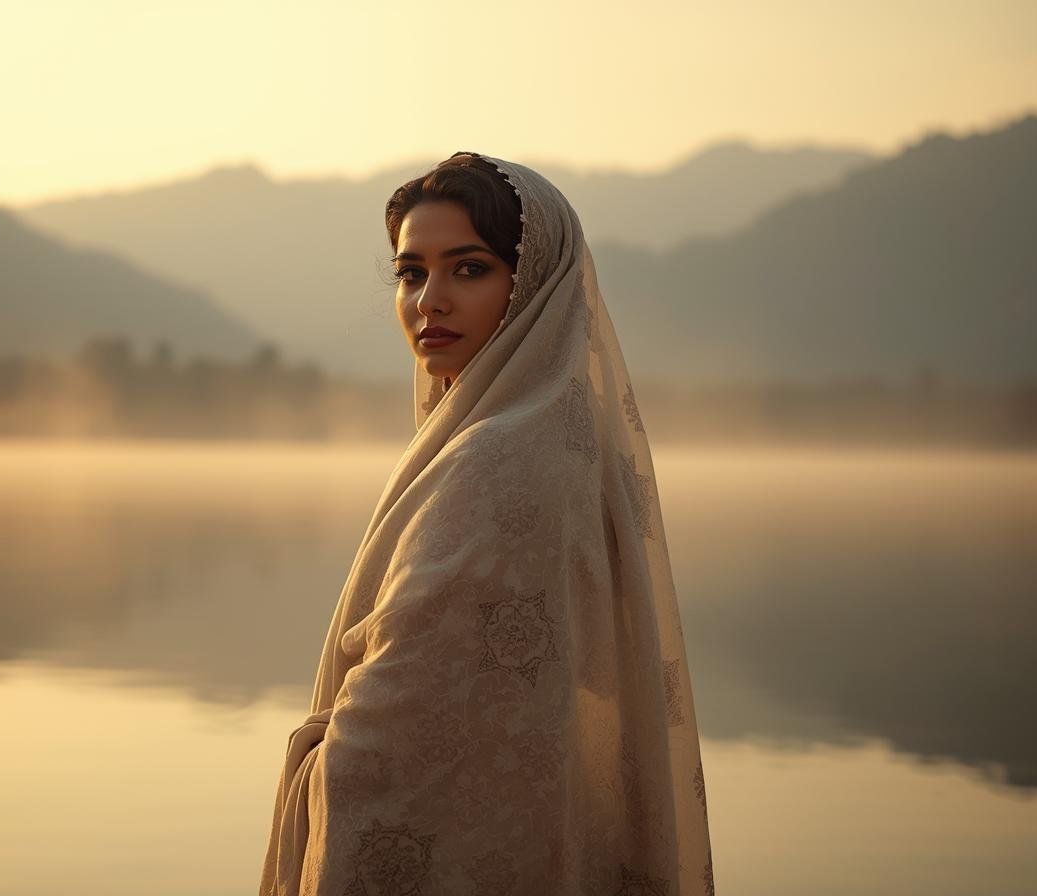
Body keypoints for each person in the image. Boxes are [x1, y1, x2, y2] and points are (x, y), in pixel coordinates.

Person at [259, 151, 713, 895]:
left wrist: (324, 758)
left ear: (532, 286)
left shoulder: (498, 456)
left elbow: (398, 727)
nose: (429, 300)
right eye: (411, 273)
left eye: (468, 269)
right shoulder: (555, 436)